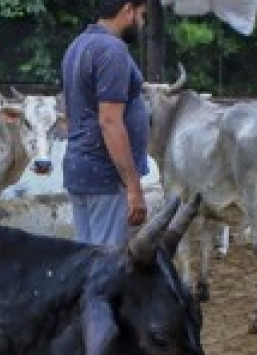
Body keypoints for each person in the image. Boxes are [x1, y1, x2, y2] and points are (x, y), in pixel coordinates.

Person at [61, 0, 149, 247]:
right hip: (107, 179)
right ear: (127, 9)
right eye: (142, 15)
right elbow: (110, 121)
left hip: (80, 170)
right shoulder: (112, 50)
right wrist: (133, 187)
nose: (142, 24)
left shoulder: (77, 45)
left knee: (88, 262)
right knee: (108, 268)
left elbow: (69, 114)